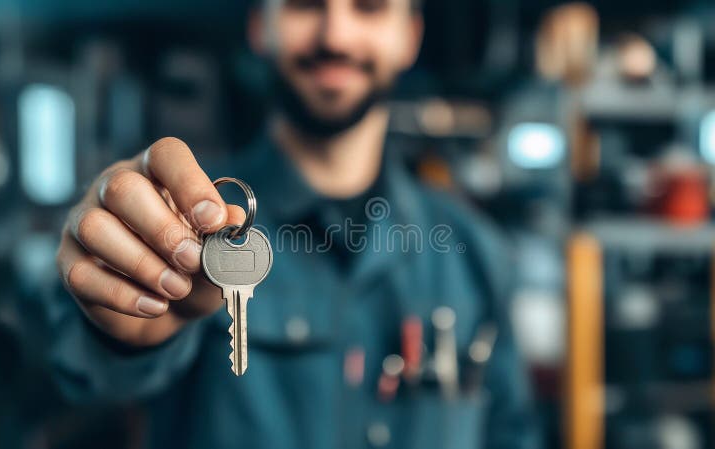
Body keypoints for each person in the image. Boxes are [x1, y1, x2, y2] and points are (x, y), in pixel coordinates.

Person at [47, 0, 541, 447]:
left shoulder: (476, 251)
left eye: (368, 8)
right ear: (262, 27)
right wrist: (121, 333)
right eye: (307, 5)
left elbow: (511, 434)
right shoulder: (187, 220)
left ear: (409, 37)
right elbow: (80, 376)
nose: (336, 37)